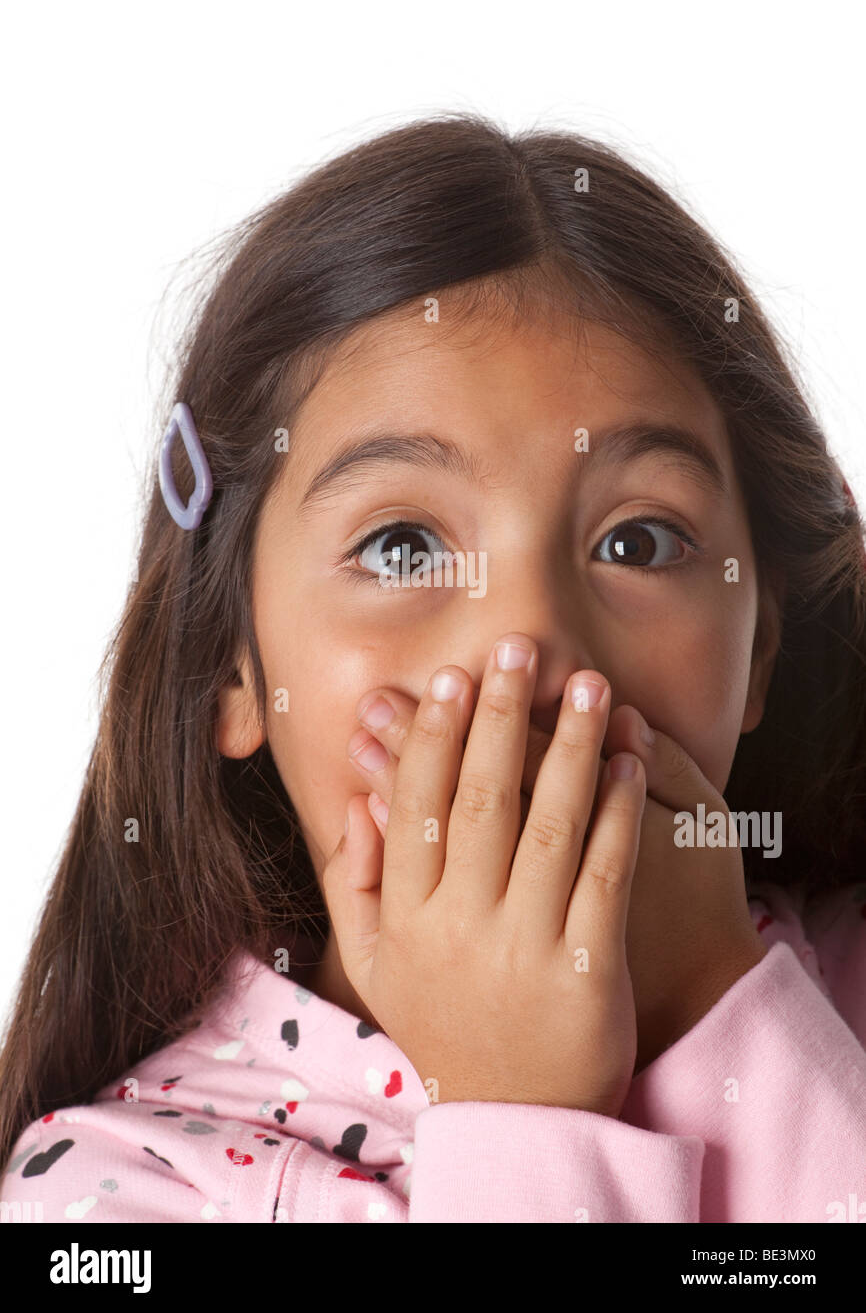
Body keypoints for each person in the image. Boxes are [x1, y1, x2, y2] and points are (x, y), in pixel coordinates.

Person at [2, 113, 864, 1223]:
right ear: (231, 666)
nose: (526, 643)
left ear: (760, 652)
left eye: (637, 541)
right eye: (401, 546)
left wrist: (715, 997)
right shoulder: (116, 1192)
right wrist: (521, 1115)